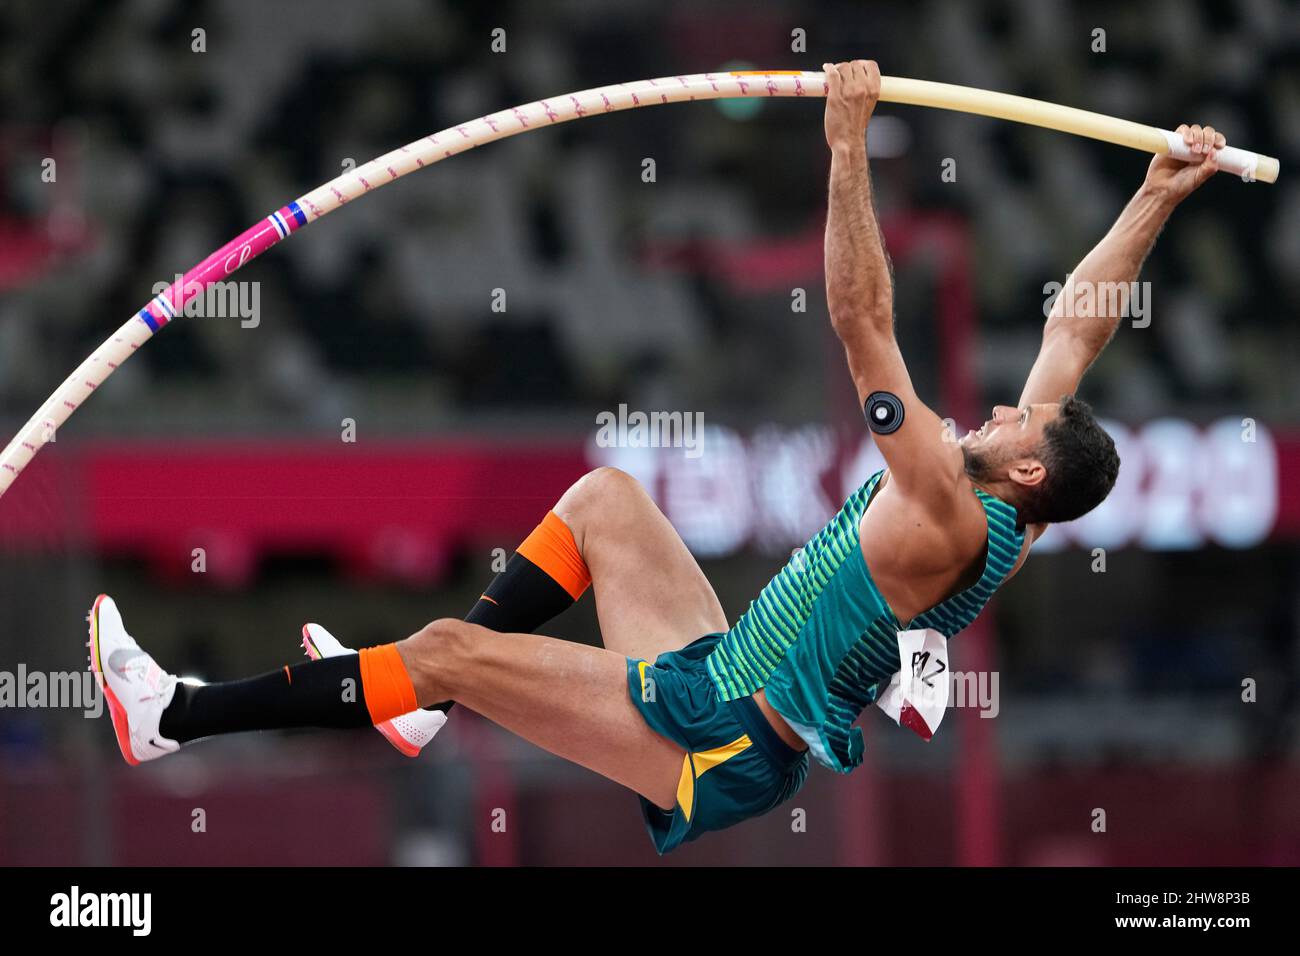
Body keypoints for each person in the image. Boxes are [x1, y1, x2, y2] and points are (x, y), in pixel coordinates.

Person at [89, 60, 1226, 853]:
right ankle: (418, 706)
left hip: (714, 729)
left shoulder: (945, 502)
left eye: (1010, 426)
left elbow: (859, 318)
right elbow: (1077, 324)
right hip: (724, 668)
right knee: (605, 499)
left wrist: (843, 142)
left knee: (433, 648)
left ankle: (174, 716)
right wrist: (1156, 187)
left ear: (1027, 473)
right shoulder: (1020, 496)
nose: (989, 413)